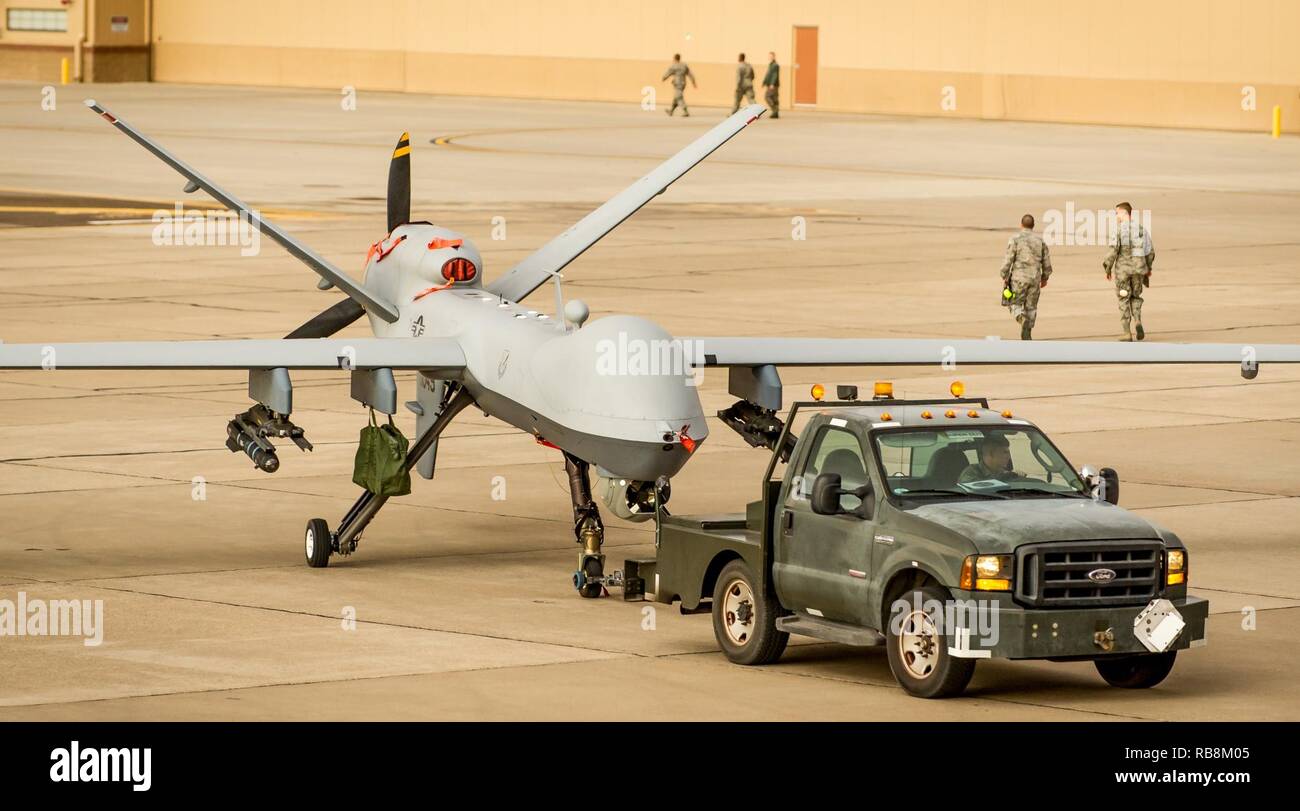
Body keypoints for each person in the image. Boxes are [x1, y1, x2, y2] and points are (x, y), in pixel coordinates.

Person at [1103, 202, 1154, 341]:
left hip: (1123, 271)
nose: (1116, 216)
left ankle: (1127, 332)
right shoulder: (1141, 229)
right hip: (1138, 269)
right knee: (1136, 297)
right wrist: (1148, 268)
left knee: (1123, 298)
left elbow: (1113, 251)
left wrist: (1107, 267)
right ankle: (1138, 320)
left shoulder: (1118, 230)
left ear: (1124, 213)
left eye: (1117, 213)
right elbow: (1150, 251)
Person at [999, 213, 1052, 340]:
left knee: (1014, 302)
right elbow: (1047, 262)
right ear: (1033, 226)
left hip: (1019, 279)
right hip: (1034, 279)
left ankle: (1020, 317)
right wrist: (1045, 277)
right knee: (1031, 307)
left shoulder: (1015, 239)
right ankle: (1027, 332)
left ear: (1021, 225)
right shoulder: (1040, 241)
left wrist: (1004, 273)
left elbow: (1009, 258)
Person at [761, 51, 780, 118]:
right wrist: (764, 82)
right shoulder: (771, 64)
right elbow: (768, 75)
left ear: (774, 57)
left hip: (773, 85)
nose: (770, 57)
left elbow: (775, 75)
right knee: (774, 98)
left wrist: (772, 83)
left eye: (771, 56)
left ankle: (775, 111)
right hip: (770, 84)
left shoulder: (775, 65)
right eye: (769, 56)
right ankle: (775, 113)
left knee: (768, 97)